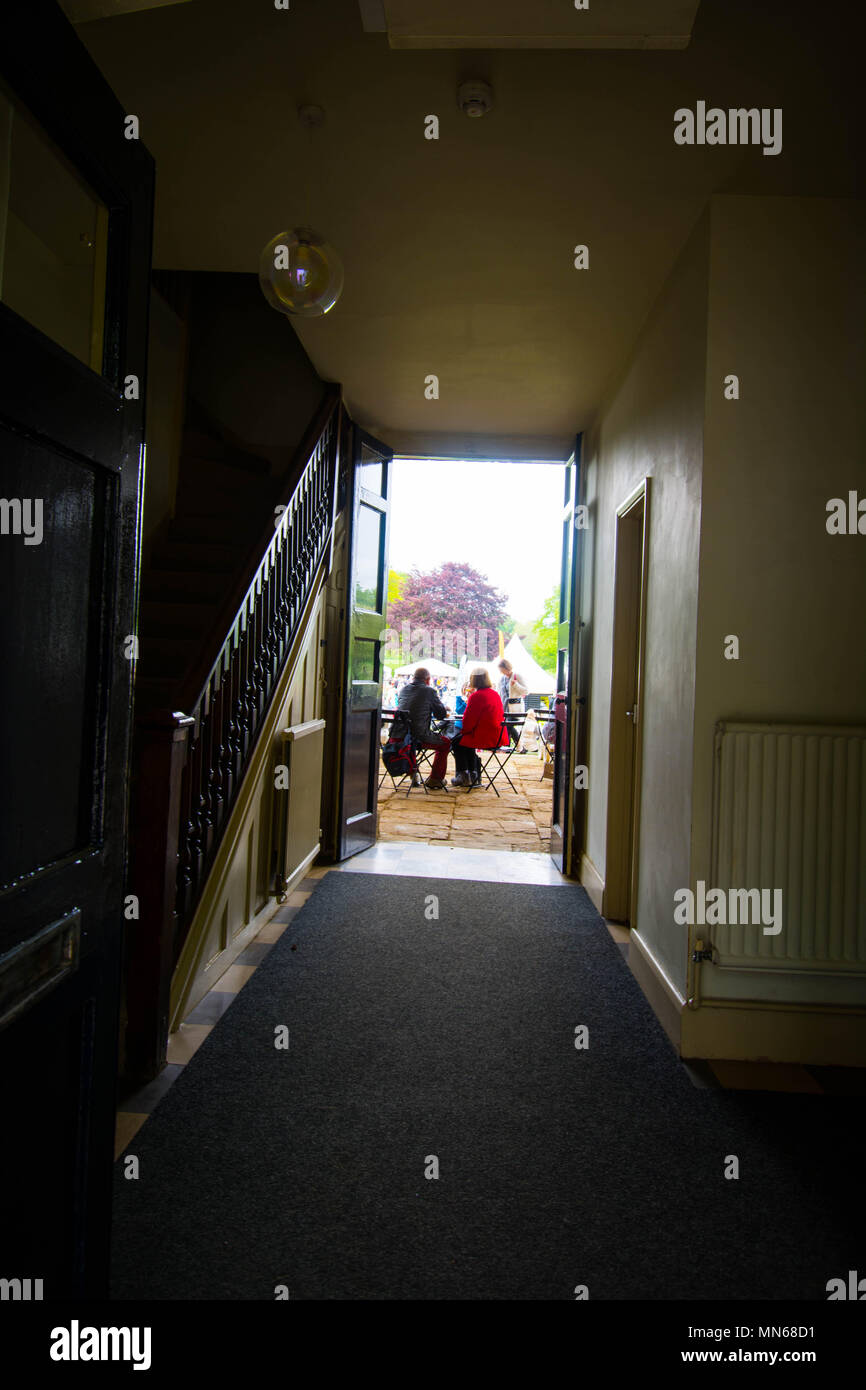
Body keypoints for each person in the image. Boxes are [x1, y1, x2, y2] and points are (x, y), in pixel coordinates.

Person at [451, 667, 508, 787]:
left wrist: (464, 731)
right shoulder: (495, 694)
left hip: (485, 736)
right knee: (465, 741)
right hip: (498, 735)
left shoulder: (476, 696)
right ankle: (474, 774)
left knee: (457, 742)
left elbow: (467, 722)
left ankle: (464, 775)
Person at [395, 666, 451, 789]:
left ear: (413, 678)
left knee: (413, 736)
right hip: (419, 737)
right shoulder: (429, 691)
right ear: (428, 679)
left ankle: (413, 774)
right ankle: (436, 779)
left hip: (401, 737)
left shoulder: (403, 689)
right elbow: (440, 715)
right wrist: (444, 708)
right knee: (446, 743)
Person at [497, 658, 529, 752]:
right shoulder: (502, 679)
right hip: (505, 707)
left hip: (515, 708)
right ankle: (514, 747)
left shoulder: (516, 676)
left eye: (502, 669)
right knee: (506, 726)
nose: (501, 671)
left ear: (506, 667)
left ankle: (518, 746)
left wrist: (515, 685)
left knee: (508, 725)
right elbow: (500, 693)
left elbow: (526, 691)